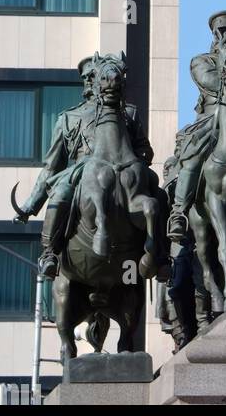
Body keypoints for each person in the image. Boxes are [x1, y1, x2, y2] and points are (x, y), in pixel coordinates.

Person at [12, 54, 151, 278]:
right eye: (86, 77)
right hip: (79, 173)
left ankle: (162, 253)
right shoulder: (67, 118)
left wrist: (137, 160)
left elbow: (145, 148)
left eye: (92, 76)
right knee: (61, 193)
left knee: (157, 196)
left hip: (125, 171)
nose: (89, 80)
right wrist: (30, 205)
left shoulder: (128, 113)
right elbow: (51, 167)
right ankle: (49, 253)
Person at [167, 10, 226, 240]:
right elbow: (213, 83)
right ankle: (179, 213)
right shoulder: (202, 61)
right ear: (214, 35)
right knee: (192, 155)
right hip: (211, 119)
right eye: (223, 33)